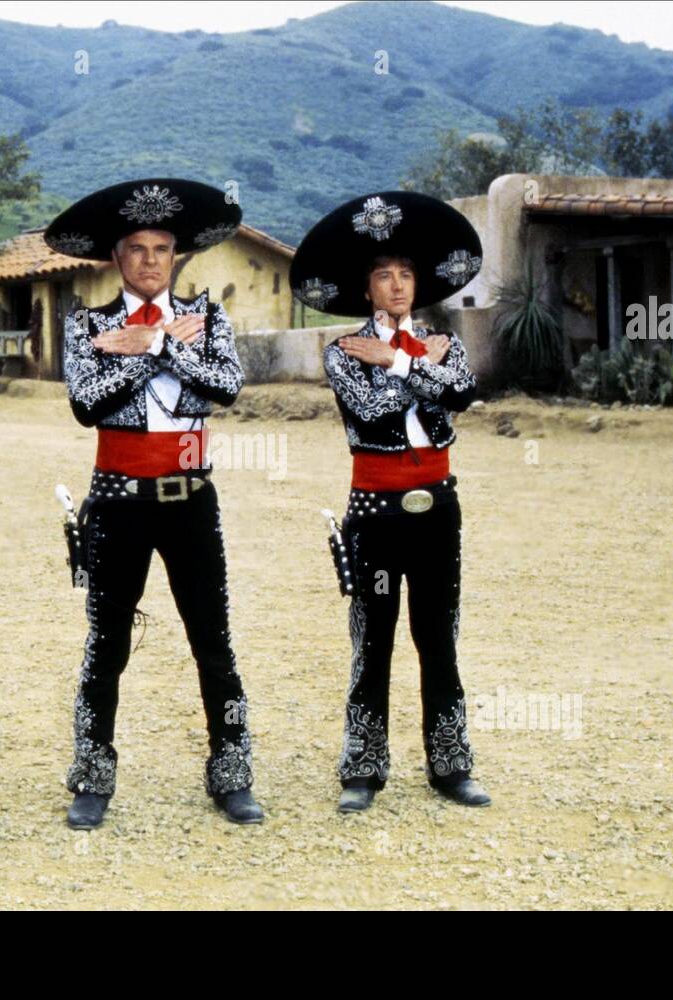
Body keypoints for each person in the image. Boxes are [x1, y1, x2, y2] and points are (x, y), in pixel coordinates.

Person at [44, 178, 263, 829]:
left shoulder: (209, 318)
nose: (148, 259)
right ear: (117, 256)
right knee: (106, 642)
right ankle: (91, 777)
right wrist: (156, 348)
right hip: (117, 499)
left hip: (191, 499)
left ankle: (231, 772)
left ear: (176, 256)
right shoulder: (87, 323)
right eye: (135, 248)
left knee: (212, 640)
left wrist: (158, 343)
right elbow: (88, 404)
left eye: (160, 248)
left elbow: (225, 386)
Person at [290, 190, 492, 812]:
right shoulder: (343, 350)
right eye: (385, 275)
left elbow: (460, 394)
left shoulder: (440, 343)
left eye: (406, 274)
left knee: (439, 637)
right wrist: (413, 371)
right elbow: (374, 415)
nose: (398, 286)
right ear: (367, 287)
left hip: (437, 502)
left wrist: (399, 362)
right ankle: (363, 766)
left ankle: (451, 765)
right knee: (372, 637)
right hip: (376, 510)